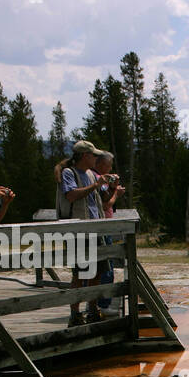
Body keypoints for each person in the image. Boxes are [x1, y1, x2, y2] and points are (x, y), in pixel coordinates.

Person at [54, 140, 109, 326]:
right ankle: (75, 314)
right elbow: (71, 195)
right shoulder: (69, 173)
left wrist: (111, 184)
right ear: (85, 156)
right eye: (94, 155)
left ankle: (92, 309)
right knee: (79, 274)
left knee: (98, 272)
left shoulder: (92, 175)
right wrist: (95, 186)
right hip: (78, 231)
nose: (96, 158)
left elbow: (102, 195)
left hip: (95, 229)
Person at [92, 150, 125, 315]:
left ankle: (97, 305)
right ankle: (102, 306)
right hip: (101, 227)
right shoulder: (97, 179)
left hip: (104, 226)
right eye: (109, 165)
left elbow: (107, 201)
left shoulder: (100, 180)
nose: (110, 168)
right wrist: (116, 194)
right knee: (105, 268)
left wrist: (112, 188)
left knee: (101, 268)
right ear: (101, 164)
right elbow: (105, 206)